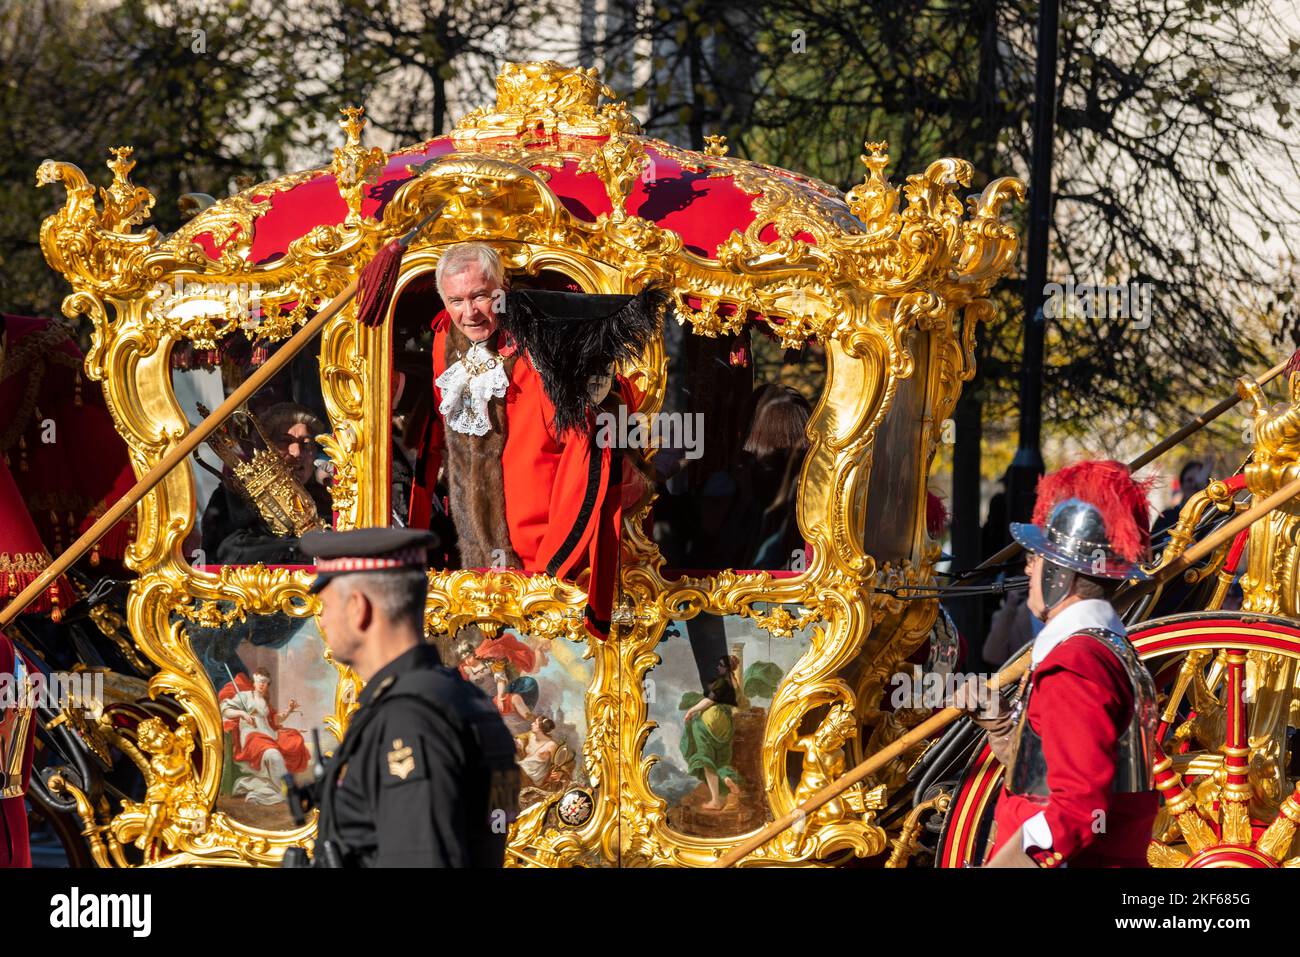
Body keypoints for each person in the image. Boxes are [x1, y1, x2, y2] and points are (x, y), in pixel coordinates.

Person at [401, 242, 664, 637]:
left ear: (502, 290)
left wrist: (554, 564)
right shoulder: (444, 341)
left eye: (480, 296)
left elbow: (584, 449)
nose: (468, 312)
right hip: (473, 557)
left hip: (545, 559)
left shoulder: (541, 347)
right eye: (456, 299)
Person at [954, 459, 1159, 867]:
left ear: (1059, 576)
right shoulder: (1098, 650)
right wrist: (1002, 725)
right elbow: (1056, 774)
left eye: (1038, 557)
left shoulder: (1077, 663)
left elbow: (1077, 808)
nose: (1029, 567)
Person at [300, 527, 518, 867]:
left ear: (358, 607)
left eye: (326, 605)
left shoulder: (409, 718)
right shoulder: (461, 698)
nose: (323, 620)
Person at [200, 403, 332, 564]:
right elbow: (227, 551)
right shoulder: (235, 498)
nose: (297, 452)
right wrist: (297, 550)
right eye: (285, 441)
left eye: (306, 443)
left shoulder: (326, 499)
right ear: (265, 449)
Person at [218, 667, 310, 805]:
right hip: (251, 735)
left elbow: (274, 720)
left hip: (268, 734)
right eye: (259, 681)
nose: (262, 685)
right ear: (254, 682)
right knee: (273, 755)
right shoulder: (244, 696)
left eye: (265, 682)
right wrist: (242, 714)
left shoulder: (265, 702)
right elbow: (225, 710)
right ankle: (285, 790)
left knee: (294, 741)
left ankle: (282, 790)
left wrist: (289, 711)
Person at [680, 654, 745, 811]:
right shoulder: (734, 682)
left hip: (711, 719)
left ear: (727, 668)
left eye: (721, 665)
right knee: (720, 760)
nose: (718, 668)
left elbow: (709, 701)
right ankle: (726, 777)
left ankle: (715, 801)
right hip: (725, 723)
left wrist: (692, 710)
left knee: (706, 758)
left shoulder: (722, 682)